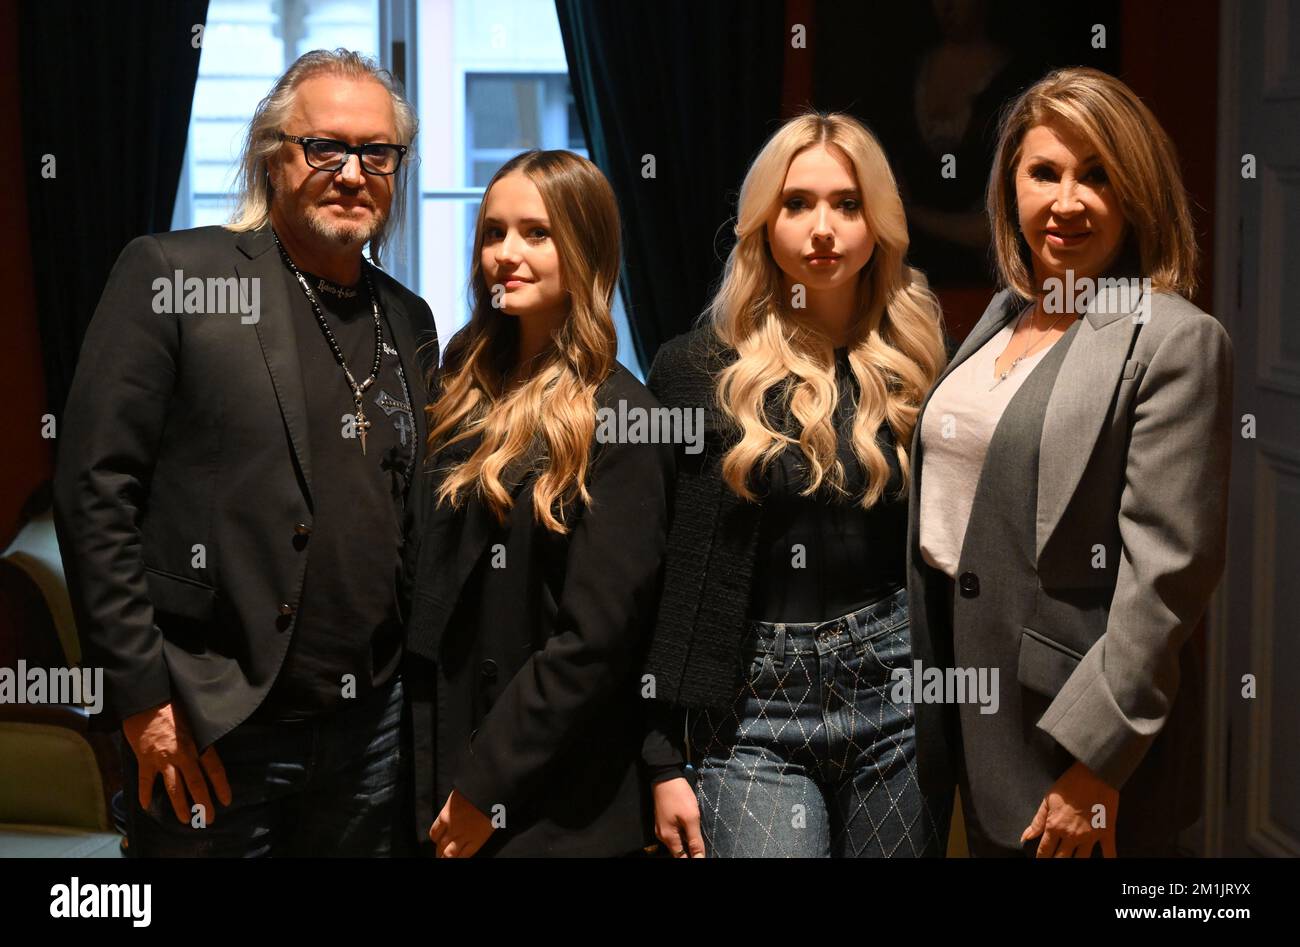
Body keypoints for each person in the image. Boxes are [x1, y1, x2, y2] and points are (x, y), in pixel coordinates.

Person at [53, 49, 437, 857]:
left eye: (377, 152)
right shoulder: (173, 273)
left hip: (371, 733)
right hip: (212, 724)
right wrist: (143, 701)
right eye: (324, 147)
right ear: (273, 155)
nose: (352, 171)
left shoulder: (410, 318)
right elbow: (95, 492)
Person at [908, 66, 1233, 857]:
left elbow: (1167, 579)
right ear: (1009, 187)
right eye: (1043, 173)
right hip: (959, 700)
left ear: (1137, 195)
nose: (1066, 201)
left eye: (1097, 177)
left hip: (1066, 741)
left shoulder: (1172, 338)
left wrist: (1097, 763)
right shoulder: (1004, 314)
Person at [642, 112, 949, 858]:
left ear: (877, 220)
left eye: (847, 204)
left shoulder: (916, 356)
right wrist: (656, 755)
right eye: (796, 203)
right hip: (750, 710)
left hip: (899, 697)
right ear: (762, 223)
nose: (823, 228)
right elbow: (655, 573)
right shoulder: (694, 369)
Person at [404, 149, 673, 857]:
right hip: (435, 759)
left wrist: (481, 787)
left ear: (584, 249)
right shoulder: (459, 382)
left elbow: (594, 644)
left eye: (536, 233)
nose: (505, 254)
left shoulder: (621, 416)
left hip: (551, 796)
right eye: (494, 233)